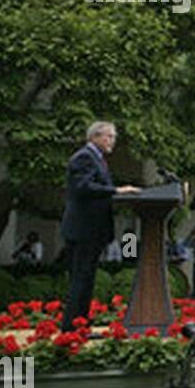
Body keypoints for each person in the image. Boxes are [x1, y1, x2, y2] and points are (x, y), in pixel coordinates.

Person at [60, 121, 138, 331]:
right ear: (95, 136)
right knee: (80, 278)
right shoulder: (84, 157)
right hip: (83, 229)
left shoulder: (97, 159)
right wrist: (116, 191)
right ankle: (71, 327)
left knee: (86, 279)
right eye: (109, 136)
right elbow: (82, 187)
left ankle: (80, 323)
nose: (113, 140)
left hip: (91, 230)